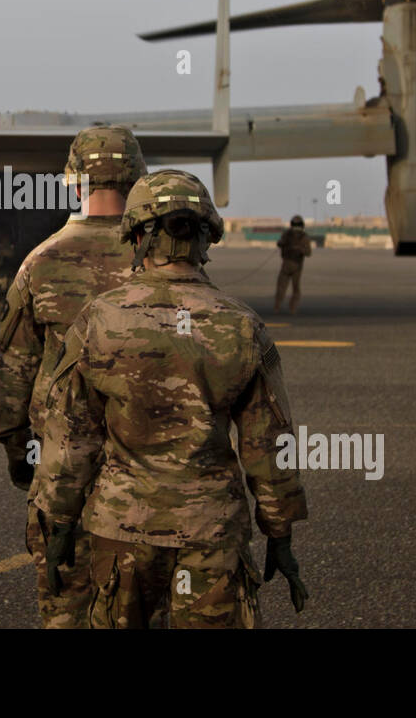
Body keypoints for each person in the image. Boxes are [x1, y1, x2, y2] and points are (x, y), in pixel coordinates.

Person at [34, 170, 308, 628]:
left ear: (139, 236)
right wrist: (279, 532)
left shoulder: (99, 320)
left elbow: (70, 436)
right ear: (206, 237)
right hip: (212, 534)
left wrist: (58, 520)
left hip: (121, 533)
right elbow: (269, 444)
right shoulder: (241, 325)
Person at [0, 126, 146, 628]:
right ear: (137, 179)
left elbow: (13, 376)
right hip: (149, 481)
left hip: (62, 477)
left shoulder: (40, 263)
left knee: (66, 610)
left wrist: (21, 455)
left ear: (74, 183)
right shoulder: (159, 262)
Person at [275, 214, 312, 314]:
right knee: (284, 288)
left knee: (286, 288)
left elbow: (308, 252)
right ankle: (283, 308)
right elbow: (280, 243)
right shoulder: (298, 236)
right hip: (292, 265)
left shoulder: (291, 235)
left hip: (294, 265)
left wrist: (298, 249)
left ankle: (288, 308)